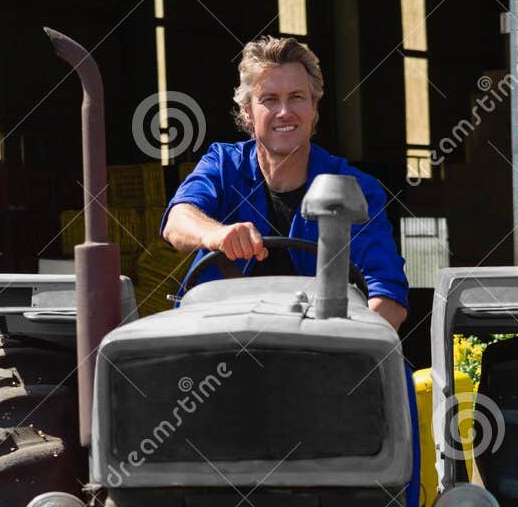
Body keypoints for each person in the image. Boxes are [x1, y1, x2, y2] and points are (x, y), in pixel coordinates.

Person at [161, 36, 409, 327]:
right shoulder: (223, 165)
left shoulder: (355, 188)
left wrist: (341, 345)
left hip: (323, 348)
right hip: (220, 341)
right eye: (269, 99)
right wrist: (217, 235)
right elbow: (177, 222)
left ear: (314, 107)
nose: (284, 112)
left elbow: (388, 299)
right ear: (247, 111)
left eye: (297, 97)